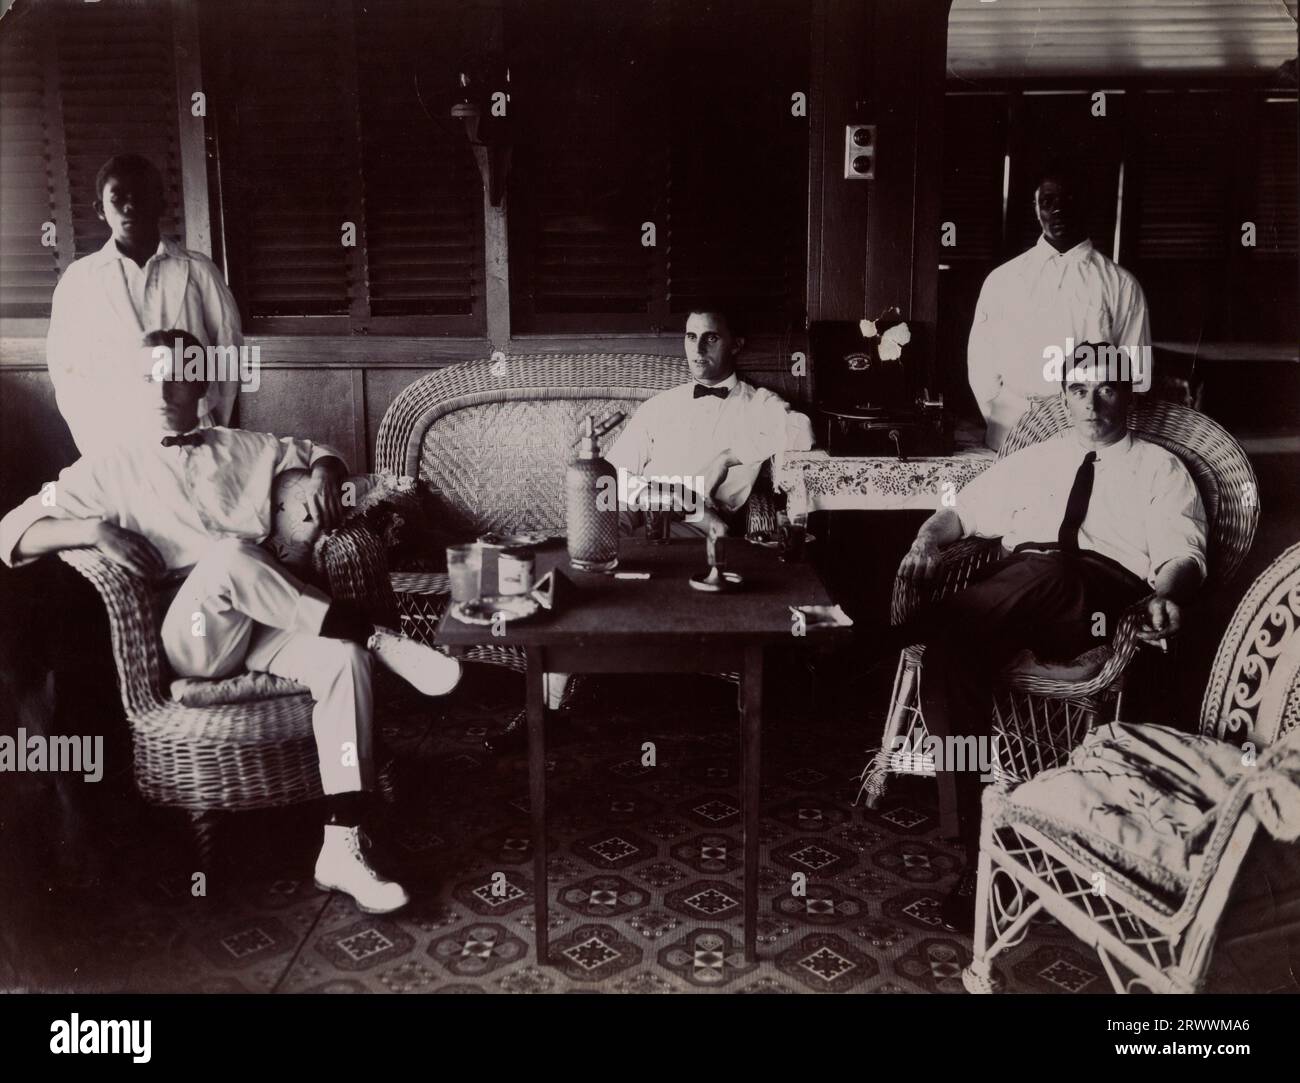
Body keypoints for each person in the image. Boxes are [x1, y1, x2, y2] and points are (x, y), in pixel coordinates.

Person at [1, 331, 463, 914]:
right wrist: (93, 530)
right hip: (190, 634)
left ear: (203, 383)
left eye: (177, 374)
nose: (164, 388)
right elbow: (11, 531)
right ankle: (374, 634)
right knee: (229, 556)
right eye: (150, 377)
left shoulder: (245, 446)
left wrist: (324, 472)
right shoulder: (108, 467)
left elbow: (318, 449)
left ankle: (343, 843)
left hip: (264, 619)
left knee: (341, 662)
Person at [896, 342, 1206, 934]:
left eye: (1107, 388)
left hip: (1094, 603)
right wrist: (924, 542)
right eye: (1078, 389)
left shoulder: (1161, 470)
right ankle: (977, 853)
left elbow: (1181, 554)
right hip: (1011, 600)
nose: (1092, 403)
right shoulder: (1032, 460)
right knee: (950, 657)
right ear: (1063, 396)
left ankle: (908, 629)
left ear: (1130, 394)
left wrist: (1167, 594)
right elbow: (958, 514)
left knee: (1053, 570)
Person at [482, 307, 815, 755]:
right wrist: (660, 491)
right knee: (570, 575)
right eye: (690, 337)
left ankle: (572, 698)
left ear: (736, 345)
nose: (697, 349)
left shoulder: (760, 407)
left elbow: (803, 436)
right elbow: (609, 479)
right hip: (637, 513)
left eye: (711, 338)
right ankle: (546, 709)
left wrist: (729, 457)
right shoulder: (663, 406)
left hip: (701, 526)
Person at [46, 154, 243, 456]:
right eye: (118, 198)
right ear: (100, 209)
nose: (130, 207)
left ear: (161, 203)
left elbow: (229, 349)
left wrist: (215, 422)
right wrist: (93, 439)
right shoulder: (80, 280)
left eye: (141, 196)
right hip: (114, 435)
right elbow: (66, 368)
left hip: (192, 430)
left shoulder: (198, 270)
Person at [968, 168, 1151, 451]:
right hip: (1013, 430)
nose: (1058, 210)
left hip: (1090, 437)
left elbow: (1137, 375)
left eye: (1069, 200)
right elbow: (981, 366)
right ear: (1035, 208)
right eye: (1048, 201)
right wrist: (1002, 418)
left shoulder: (1121, 284)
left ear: (1086, 205)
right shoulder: (1003, 280)